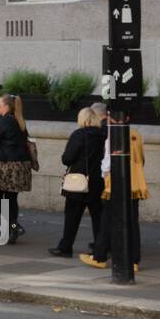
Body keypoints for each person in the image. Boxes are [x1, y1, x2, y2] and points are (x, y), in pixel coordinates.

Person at [83, 125, 148, 270]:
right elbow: (141, 159)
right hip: (135, 183)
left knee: (107, 220)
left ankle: (99, 257)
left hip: (116, 183)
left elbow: (107, 163)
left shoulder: (113, 135)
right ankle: (134, 260)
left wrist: (104, 175)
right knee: (132, 222)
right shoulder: (136, 134)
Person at [50, 107, 106, 257]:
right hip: (99, 180)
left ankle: (65, 247)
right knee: (98, 217)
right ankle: (100, 248)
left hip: (78, 182)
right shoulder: (103, 135)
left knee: (72, 217)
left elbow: (67, 158)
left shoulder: (79, 135)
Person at [0, 94, 34, 244]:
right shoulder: (19, 121)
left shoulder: (3, 121)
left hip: (7, 166)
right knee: (11, 199)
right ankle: (13, 228)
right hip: (21, 166)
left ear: (6, 106)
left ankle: (14, 226)